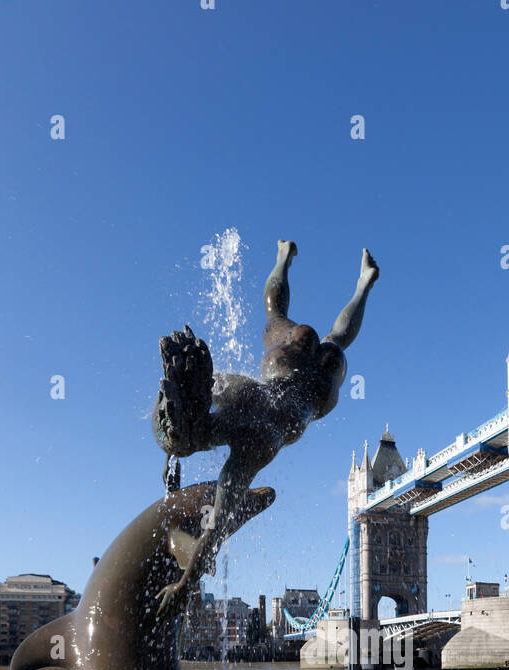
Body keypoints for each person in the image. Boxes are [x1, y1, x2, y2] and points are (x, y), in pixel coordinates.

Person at [151, 240, 379, 620]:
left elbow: (216, 529)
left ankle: (344, 277)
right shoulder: (243, 406)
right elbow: (217, 525)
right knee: (300, 327)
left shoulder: (256, 439)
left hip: (306, 383)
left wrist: (184, 585)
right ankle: (302, 263)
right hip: (290, 374)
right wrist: (173, 449)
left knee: (326, 338)